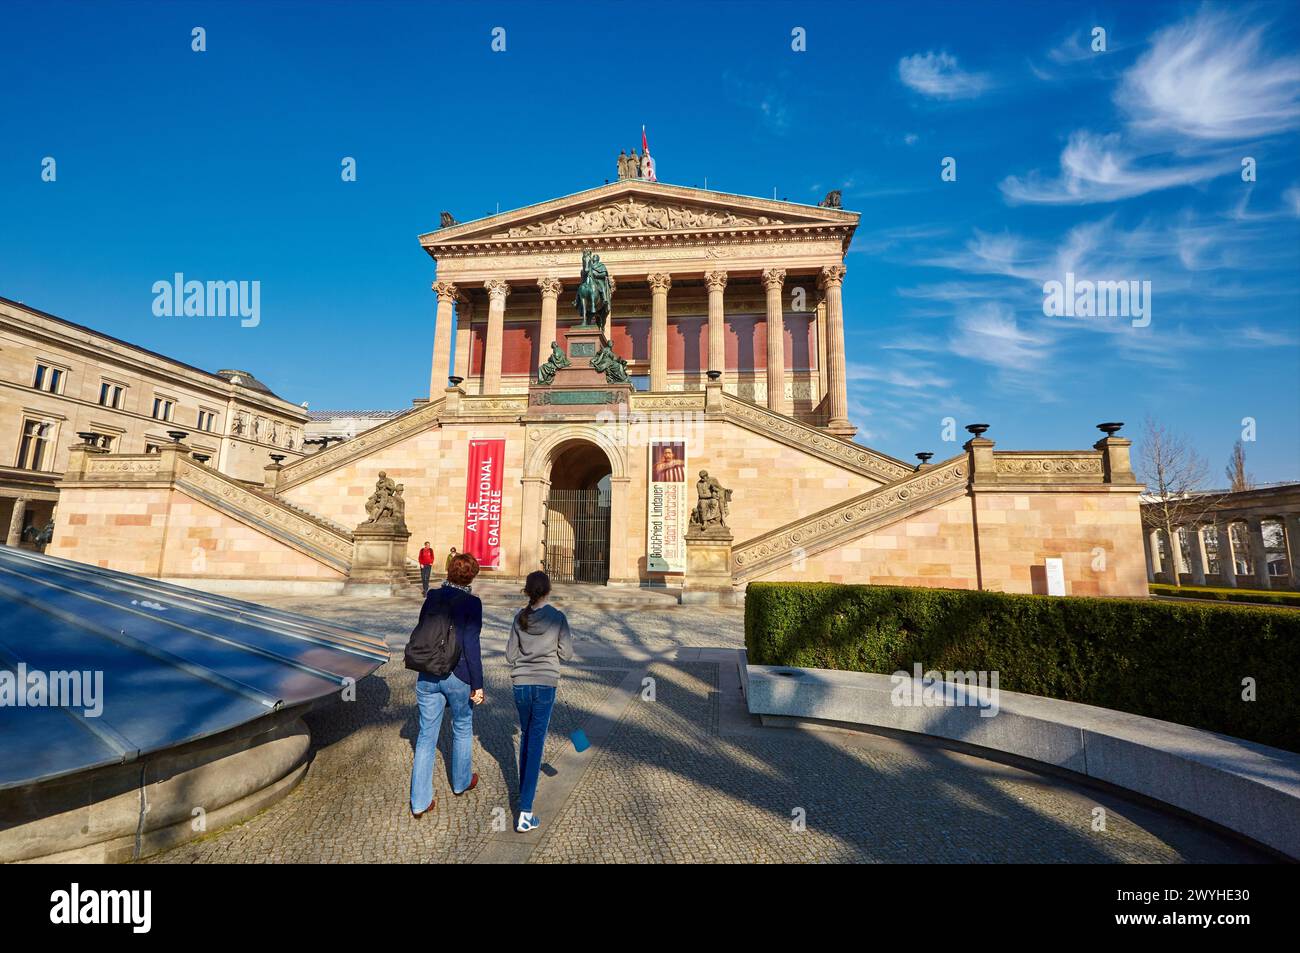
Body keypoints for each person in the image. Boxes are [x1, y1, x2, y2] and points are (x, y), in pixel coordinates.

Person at [409, 553, 485, 819]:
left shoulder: (433, 595)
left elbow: (422, 629)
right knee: (462, 728)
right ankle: (461, 782)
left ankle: (419, 801)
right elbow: (471, 645)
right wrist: (478, 684)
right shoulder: (472, 603)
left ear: (449, 572)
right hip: (458, 675)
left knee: (426, 737)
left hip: (428, 672)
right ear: (472, 575)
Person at [505, 571, 573, 832]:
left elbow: (510, 655)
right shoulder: (557, 618)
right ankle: (525, 811)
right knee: (535, 743)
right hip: (545, 683)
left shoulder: (519, 618)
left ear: (527, 591)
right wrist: (550, 649)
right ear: (548, 590)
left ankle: (524, 795)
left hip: (521, 684)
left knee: (527, 738)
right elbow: (567, 654)